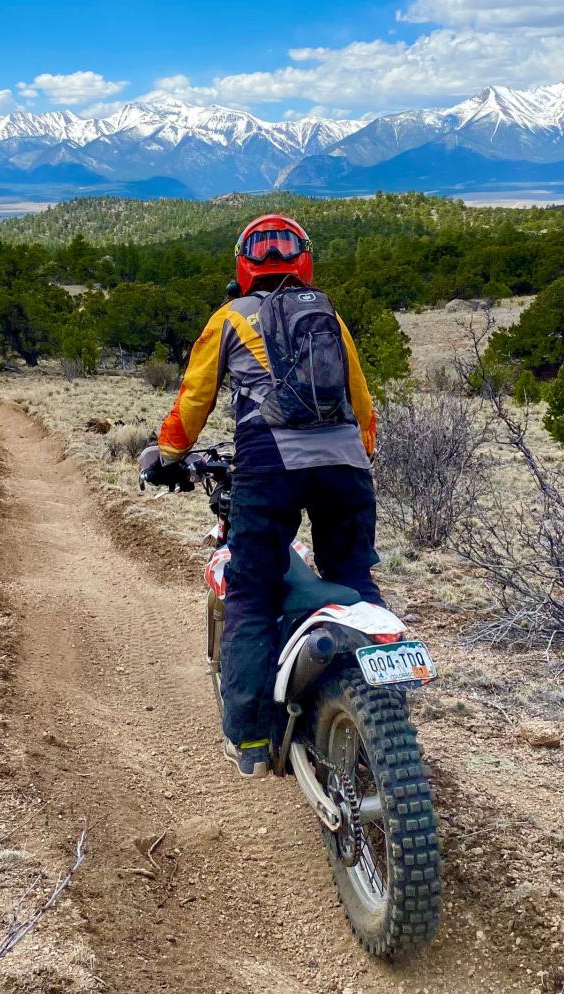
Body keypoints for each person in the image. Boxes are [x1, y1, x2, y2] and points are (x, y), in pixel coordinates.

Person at [143, 214, 383, 779]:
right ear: (305, 259)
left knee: (252, 591)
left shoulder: (229, 317)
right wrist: (356, 454)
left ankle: (250, 736)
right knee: (355, 576)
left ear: (242, 264)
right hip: (345, 465)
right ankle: (380, 707)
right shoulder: (328, 315)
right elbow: (362, 405)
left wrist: (167, 455)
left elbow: (193, 401)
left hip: (270, 467)